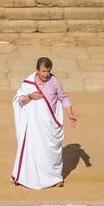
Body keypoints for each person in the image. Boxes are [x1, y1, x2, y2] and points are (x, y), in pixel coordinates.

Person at [11, 56, 78, 190]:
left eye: (48, 71)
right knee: (34, 149)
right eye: (43, 71)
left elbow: (63, 97)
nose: (46, 74)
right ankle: (29, 177)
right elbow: (19, 101)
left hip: (50, 125)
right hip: (33, 127)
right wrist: (31, 97)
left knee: (51, 153)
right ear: (37, 70)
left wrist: (70, 114)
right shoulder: (28, 84)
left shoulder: (55, 82)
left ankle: (55, 178)